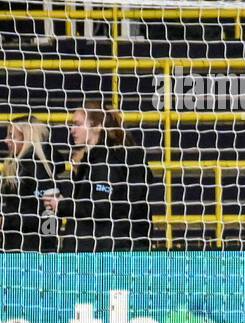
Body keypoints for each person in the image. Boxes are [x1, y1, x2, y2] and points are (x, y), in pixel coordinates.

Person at [49, 102, 155, 251]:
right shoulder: (94, 160)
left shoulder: (105, 162)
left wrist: (61, 205)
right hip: (111, 249)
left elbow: (101, 207)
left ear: (97, 126)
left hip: (106, 252)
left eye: (77, 124)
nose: (72, 130)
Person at [0, 119, 61, 252]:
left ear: (26, 137)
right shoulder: (19, 167)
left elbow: (47, 215)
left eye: (11, 135)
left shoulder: (36, 169)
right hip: (16, 246)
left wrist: (6, 220)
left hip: (30, 251)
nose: (5, 140)